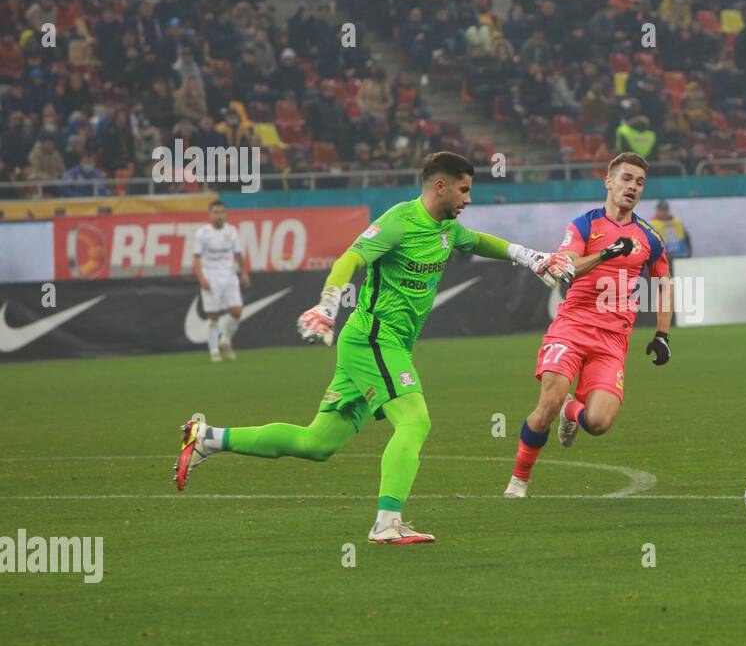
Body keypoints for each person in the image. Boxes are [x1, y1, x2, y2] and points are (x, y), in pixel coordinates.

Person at [174, 152, 575, 544]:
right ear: (440, 186)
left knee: (317, 443)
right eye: (464, 190)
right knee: (415, 421)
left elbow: (479, 242)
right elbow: (351, 257)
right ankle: (387, 522)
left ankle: (208, 438)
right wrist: (328, 304)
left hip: (382, 345)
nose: (468, 199)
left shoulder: (447, 230)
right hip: (373, 339)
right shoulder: (399, 221)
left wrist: (528, 256)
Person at [505, 153, 673, 498]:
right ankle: (519, 481)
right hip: (572, 327)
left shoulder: (649, 238)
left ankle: (572, 409)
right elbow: (565, 268)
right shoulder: (584, 225)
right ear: (608, 182)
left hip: (612, 341)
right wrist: (607, 254)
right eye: (626, 179)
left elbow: (664, 283)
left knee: (598, 423)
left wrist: (662, 334)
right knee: (548, 402)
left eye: (639, 183)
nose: (632, 187)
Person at [192, 199, 251, 361]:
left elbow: (238, 254)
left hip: (229, 275)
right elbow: (196, 258)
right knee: (213, 315)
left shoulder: (232, 231)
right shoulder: (202, 233)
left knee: (237, 311)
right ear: (210, 214)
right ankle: (214, 350)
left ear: (226, 214)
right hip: (211, 276)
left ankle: (225, 339)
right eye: (215, 212)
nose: (219, 215)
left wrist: (244, 273)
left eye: (222, 212)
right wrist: (201, 278)